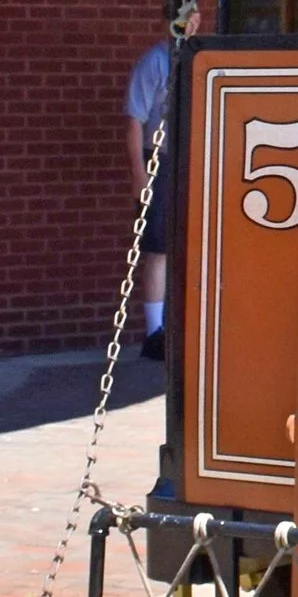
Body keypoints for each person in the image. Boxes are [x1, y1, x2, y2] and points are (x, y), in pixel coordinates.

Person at [125, 34, 174, 363]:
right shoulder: (155, 62)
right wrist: (139, 174)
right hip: (158, 158)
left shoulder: (200, 58)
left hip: (192, 158)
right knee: (158, 247)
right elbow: (134, 120)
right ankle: (154, 331)